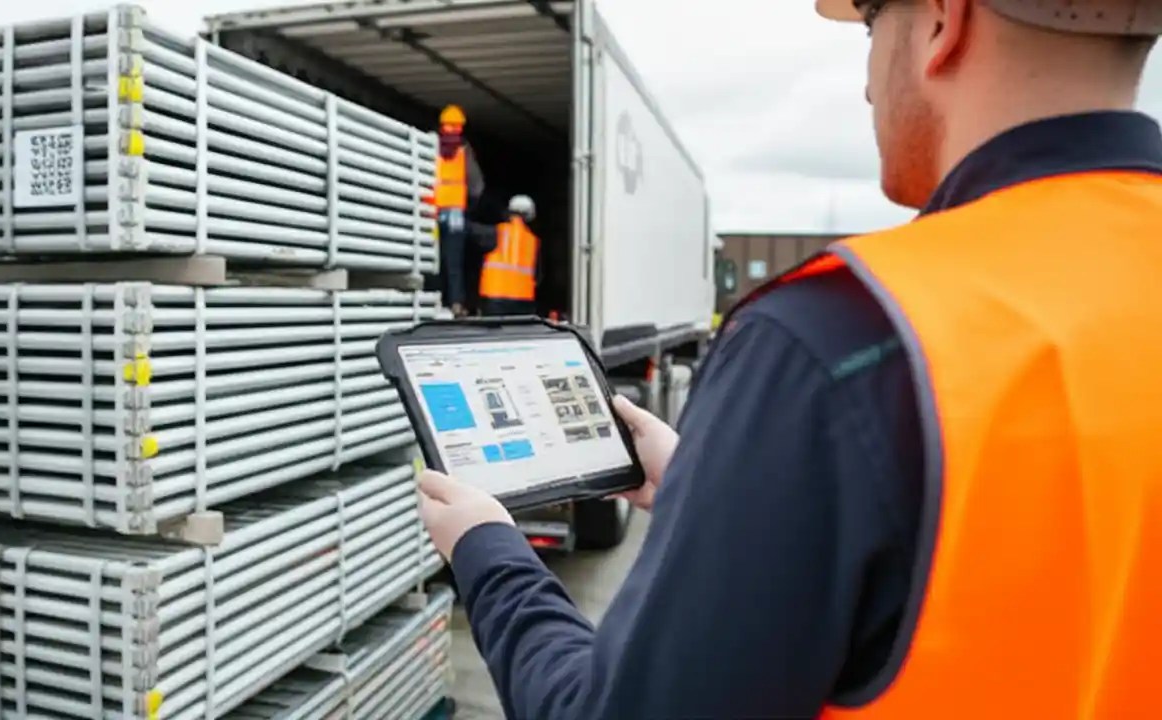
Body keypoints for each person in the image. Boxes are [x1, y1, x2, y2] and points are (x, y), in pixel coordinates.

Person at [416, 1, 1162, 718]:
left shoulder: (838, 337)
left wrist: (489, 552)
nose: (867, 84)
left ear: (944, 19)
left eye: (871, 26)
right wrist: (707, 493)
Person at [432, 104, 486, 318]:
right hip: (455, 213)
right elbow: (477, 186)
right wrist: (470, 206)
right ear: (461, 126)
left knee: (433, 257)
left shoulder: (430, 146)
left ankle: (433, 299)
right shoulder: (464, 150)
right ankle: (455, 302)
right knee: (453, 260)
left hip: (432, 212)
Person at [479, 195, 541, 317]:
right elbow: (538, 276)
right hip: (523, 302)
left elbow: (469, 231)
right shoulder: (533, 241)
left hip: (495, 299)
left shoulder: (497, 232)